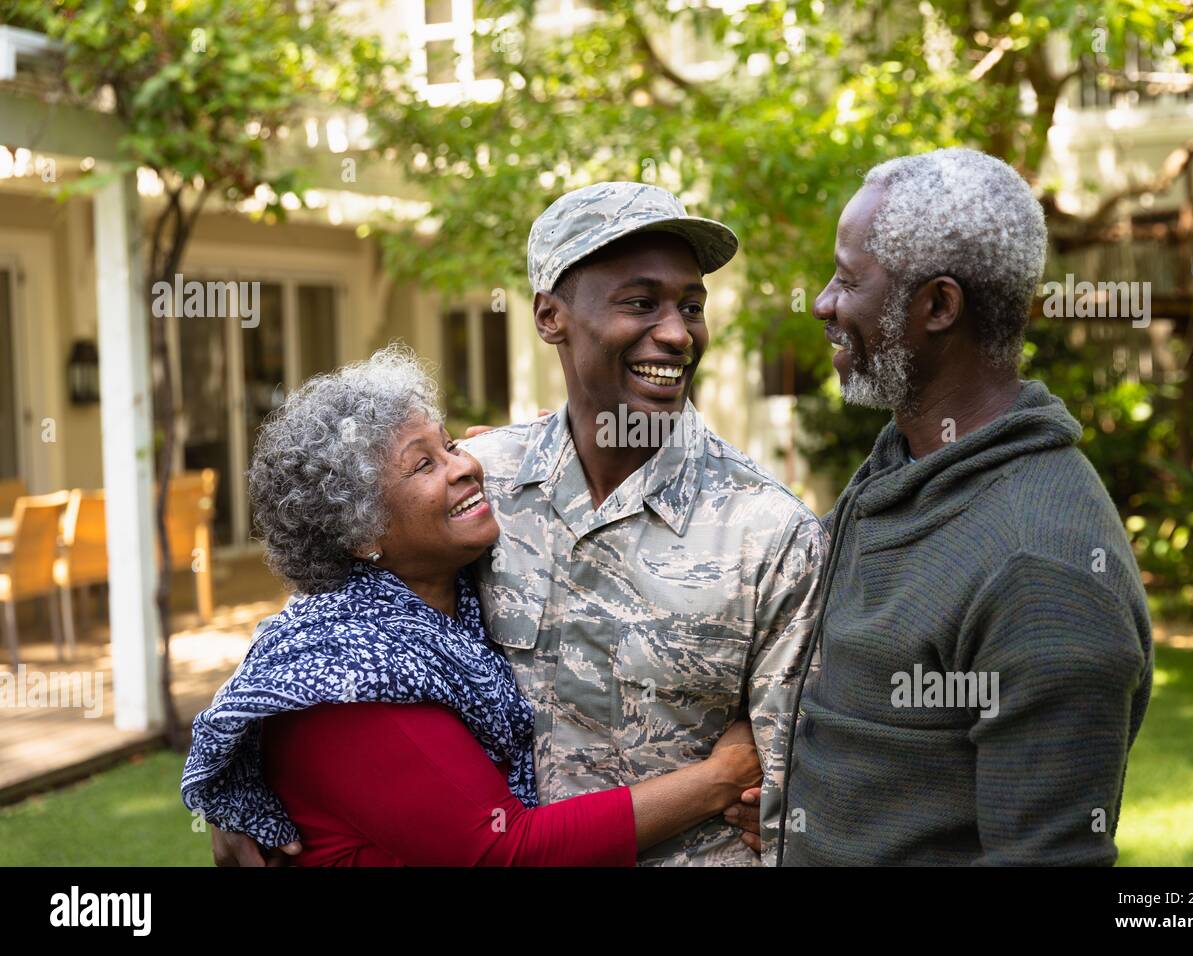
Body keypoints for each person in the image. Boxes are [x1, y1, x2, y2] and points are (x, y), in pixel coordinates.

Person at [211, 182, 826, 867]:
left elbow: (793, 782)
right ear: (549, 316)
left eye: (691, 306)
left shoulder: (770, 534)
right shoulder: (480, 484)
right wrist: (243, 779)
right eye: (640, 303)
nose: (678, 333)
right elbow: (336, 618)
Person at [181, 346, 762, 866]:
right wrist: (719, 779)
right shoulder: (347, 680)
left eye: (450, 443)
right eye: (423, 464)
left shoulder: (449, 594)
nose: (465, 466)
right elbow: (501, 849)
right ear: (361, 533)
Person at [777, 148, 1155, 866]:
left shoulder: (1040, 569)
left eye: (848, 280)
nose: (824, 303)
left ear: (938, 306)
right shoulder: (907, 464)